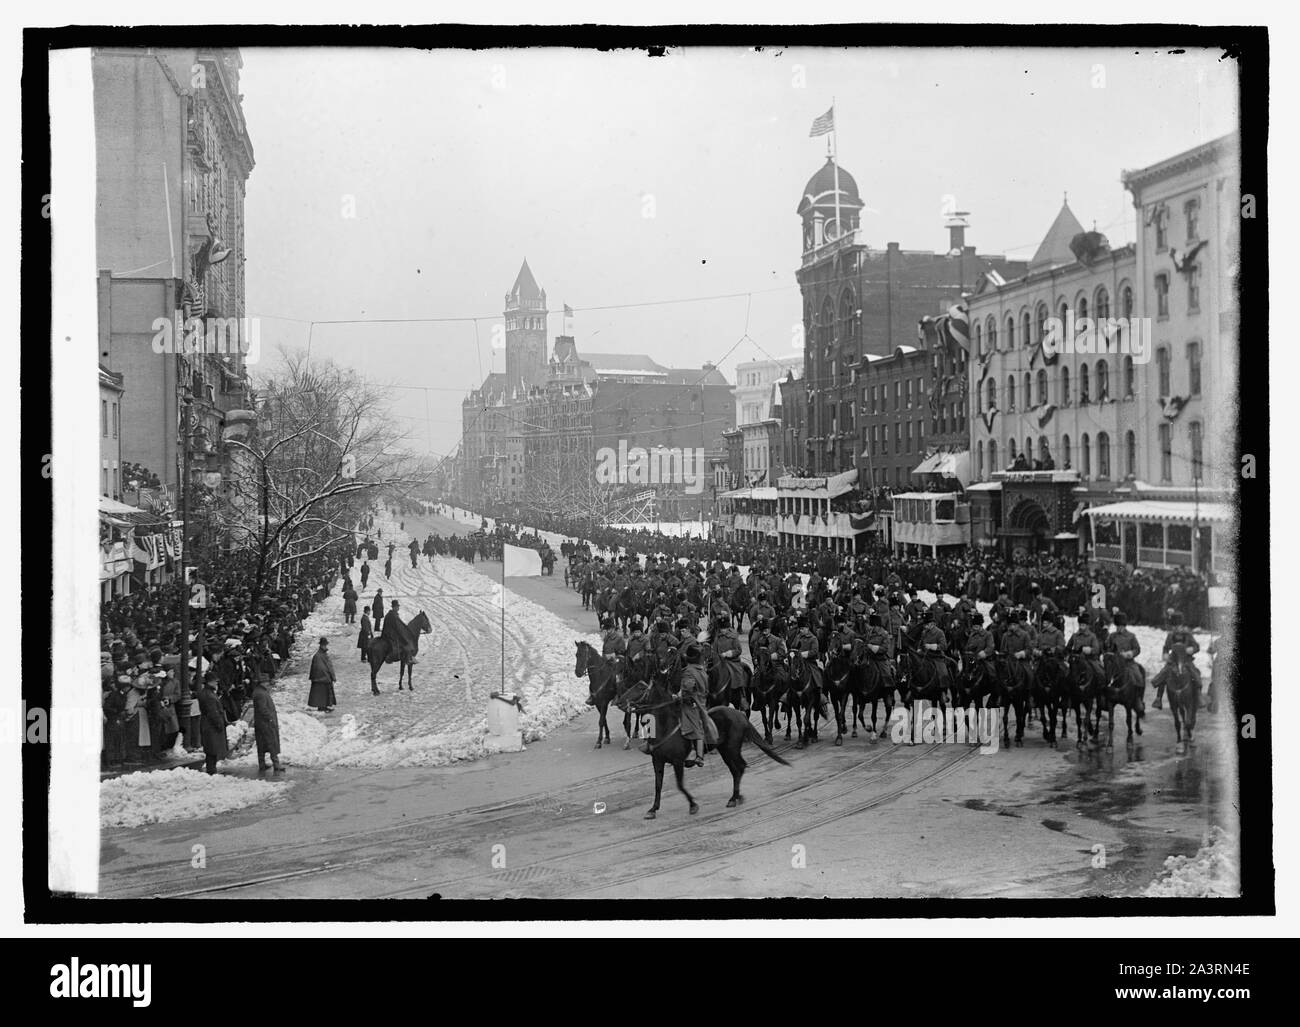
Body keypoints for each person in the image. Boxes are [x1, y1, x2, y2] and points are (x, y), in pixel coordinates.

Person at [677, 643, 719, 767]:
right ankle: (699, 755)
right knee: (698, 727)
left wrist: (678, 696)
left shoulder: (689, 672)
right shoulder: (702, 670)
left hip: (691, 703)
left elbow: (688, 689)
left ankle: (694, 754)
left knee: (688, 726)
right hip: (701, 701)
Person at [251, 674, 284, 774]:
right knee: (271, 743)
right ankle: (276, 764)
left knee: (262, 744)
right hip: (265, 723)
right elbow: (263, 709)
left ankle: (262, 764)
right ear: (262, 683)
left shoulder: (259, 691)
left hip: (261, 723)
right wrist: (270, 718)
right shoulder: (261, 693)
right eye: (267, 682)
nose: (268, 684)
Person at [197, 670, 228, 775]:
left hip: (208, 725)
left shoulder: (207, 693)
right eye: (215, 681)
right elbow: (213, 712)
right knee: (212, 749)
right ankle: (211, 770)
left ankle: (211, 769)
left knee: (211, 748)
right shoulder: (209, 696)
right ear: (210, 682)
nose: (216, 683)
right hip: (211, 726)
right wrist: (219, 724)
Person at [381, 598, 415, 664]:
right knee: (405, 643)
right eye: (397, 607)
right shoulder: (392, 615)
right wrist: (403, 635)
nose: (398, 608)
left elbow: (399, 625)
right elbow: (397, 628)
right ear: (394, 607)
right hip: (390, 634)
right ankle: (406, 659)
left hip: (389, 632)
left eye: (398, 607)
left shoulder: (392, 614)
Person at [308, 637, 337, 712]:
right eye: (324, 645)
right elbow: (325, 667)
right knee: (323, 693)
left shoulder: (320, 655)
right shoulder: (319, 655)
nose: (325, 646)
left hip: (321, 678)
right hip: (323, 678)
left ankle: (323, 706)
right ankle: (322, 707)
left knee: (323, 693)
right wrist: (330, 676)